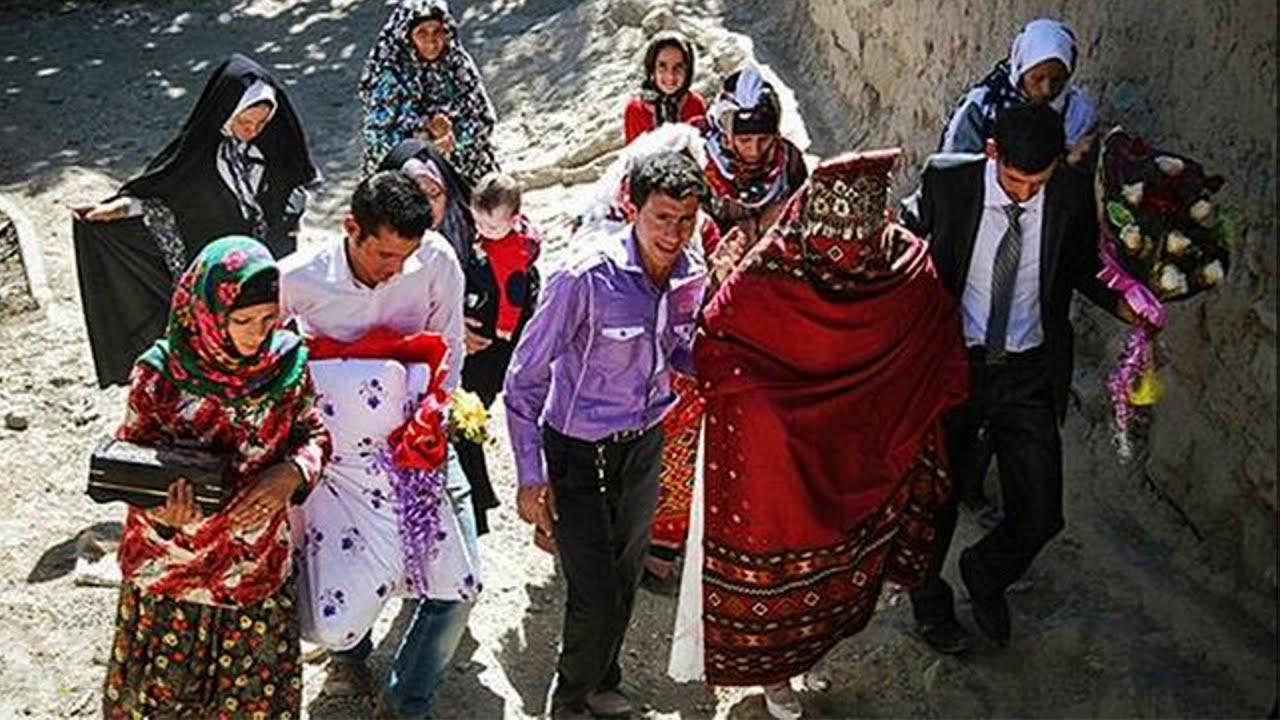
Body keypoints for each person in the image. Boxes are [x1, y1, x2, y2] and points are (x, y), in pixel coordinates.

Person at [667, 150, 969, 720]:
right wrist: (767, 413)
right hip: (779, 463)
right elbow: (719, 342)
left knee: (843, 574)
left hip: (861, 453)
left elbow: (935, 345)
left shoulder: (904, 269)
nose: (842, 261)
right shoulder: (773, 268)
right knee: (777, 567)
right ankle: (776, 676)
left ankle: (811, 654)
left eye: (857, 246)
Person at [900, 103, 1135, 653]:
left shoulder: (1071, 193)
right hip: (953, 366)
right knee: (936, 499)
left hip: (1028, 371)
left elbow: (1081, 265)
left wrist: (1125, 303)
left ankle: (985, 573)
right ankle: (929, 604)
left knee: (1040, 513)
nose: (1025, 194)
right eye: (1013, 180)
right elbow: (904, 238)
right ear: (991, 153)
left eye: (1038, 182)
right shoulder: (948, 181)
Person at [504, 151, 709, 717]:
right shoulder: (584, 278)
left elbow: (677, 350)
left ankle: (602, 682)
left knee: (624, 577)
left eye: (686, 219)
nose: (675, 233)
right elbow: (523, 379)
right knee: (593, 595)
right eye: (663, 217)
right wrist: (530, 476)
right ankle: (569, 703)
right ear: (631, 208)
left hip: (644, 444)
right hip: (579, 451)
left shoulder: (691, 273)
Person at [102, 236, 331, 719]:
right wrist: (161, 514)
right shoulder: (160, 377)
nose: (256, 335)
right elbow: (129, 462)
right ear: (208, 313)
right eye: (242, 321)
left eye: (268, 319)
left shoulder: (287, 366)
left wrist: (293, 472)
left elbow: (314, 434)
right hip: (171, 575)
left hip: (255, 573)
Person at [279, 171, 479, 718]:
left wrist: (433, 416)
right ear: (352, 228)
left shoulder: (435, 261)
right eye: (384, 255)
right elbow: (259, 344)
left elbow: (450, 348)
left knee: (459, 585)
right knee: (340, 571)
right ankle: (349, 658)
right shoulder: (298, 276)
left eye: (405, 257)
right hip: (335, 462)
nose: (395, 270)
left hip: (417, 450)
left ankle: (404, 702)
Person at [76, 53, 319, 386]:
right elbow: (163, 192)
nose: (252, 131)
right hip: (216, 278)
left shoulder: (271, 154)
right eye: (245, 122)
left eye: (261, 123)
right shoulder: (199, 157)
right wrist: (117, 210)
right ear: (226, 113)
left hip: (262, 270)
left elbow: (297, 187)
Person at [454, 171, 543, 535]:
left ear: (513, 218)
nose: (484, 230)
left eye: (492, 225)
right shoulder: (494, 239)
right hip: (481, 344)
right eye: (480, 223)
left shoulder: (512, 255)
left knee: (467, 416)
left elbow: (514, 298)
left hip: (492, 348)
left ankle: (477, 503)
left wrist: (504, 331)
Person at [360, 0, 499, 184]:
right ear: (406, 36)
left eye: (438, 31)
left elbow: (484, 119)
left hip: (458, 156)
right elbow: (377, 137)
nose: (432, 41)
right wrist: (424, 138)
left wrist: (452, 137)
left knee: (493, 186)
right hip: (406, 164)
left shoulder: (456, 63)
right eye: (422, 33)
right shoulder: (390, 72)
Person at [939, 18, 1097, 166]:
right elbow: (953, 165)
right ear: (1020, 71)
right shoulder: (984, 105)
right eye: (1037, 78)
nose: (1047, 90)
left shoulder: (1077, 114)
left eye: (1057, 80)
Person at [701, 65, 808, 237]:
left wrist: (787, 212)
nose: (754, 150)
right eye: (745, 140)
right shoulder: (701, 164)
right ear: (727, 138)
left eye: (764, 140)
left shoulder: (790, 161)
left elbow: (807, 208)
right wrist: (751, 228)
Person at [623, 31, 708, 145]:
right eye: (662, 66)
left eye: (678, 67)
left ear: (687, 71)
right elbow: (633, 153)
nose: (670, 76)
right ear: (652, 68)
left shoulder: (695, 103)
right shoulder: (636, 110)